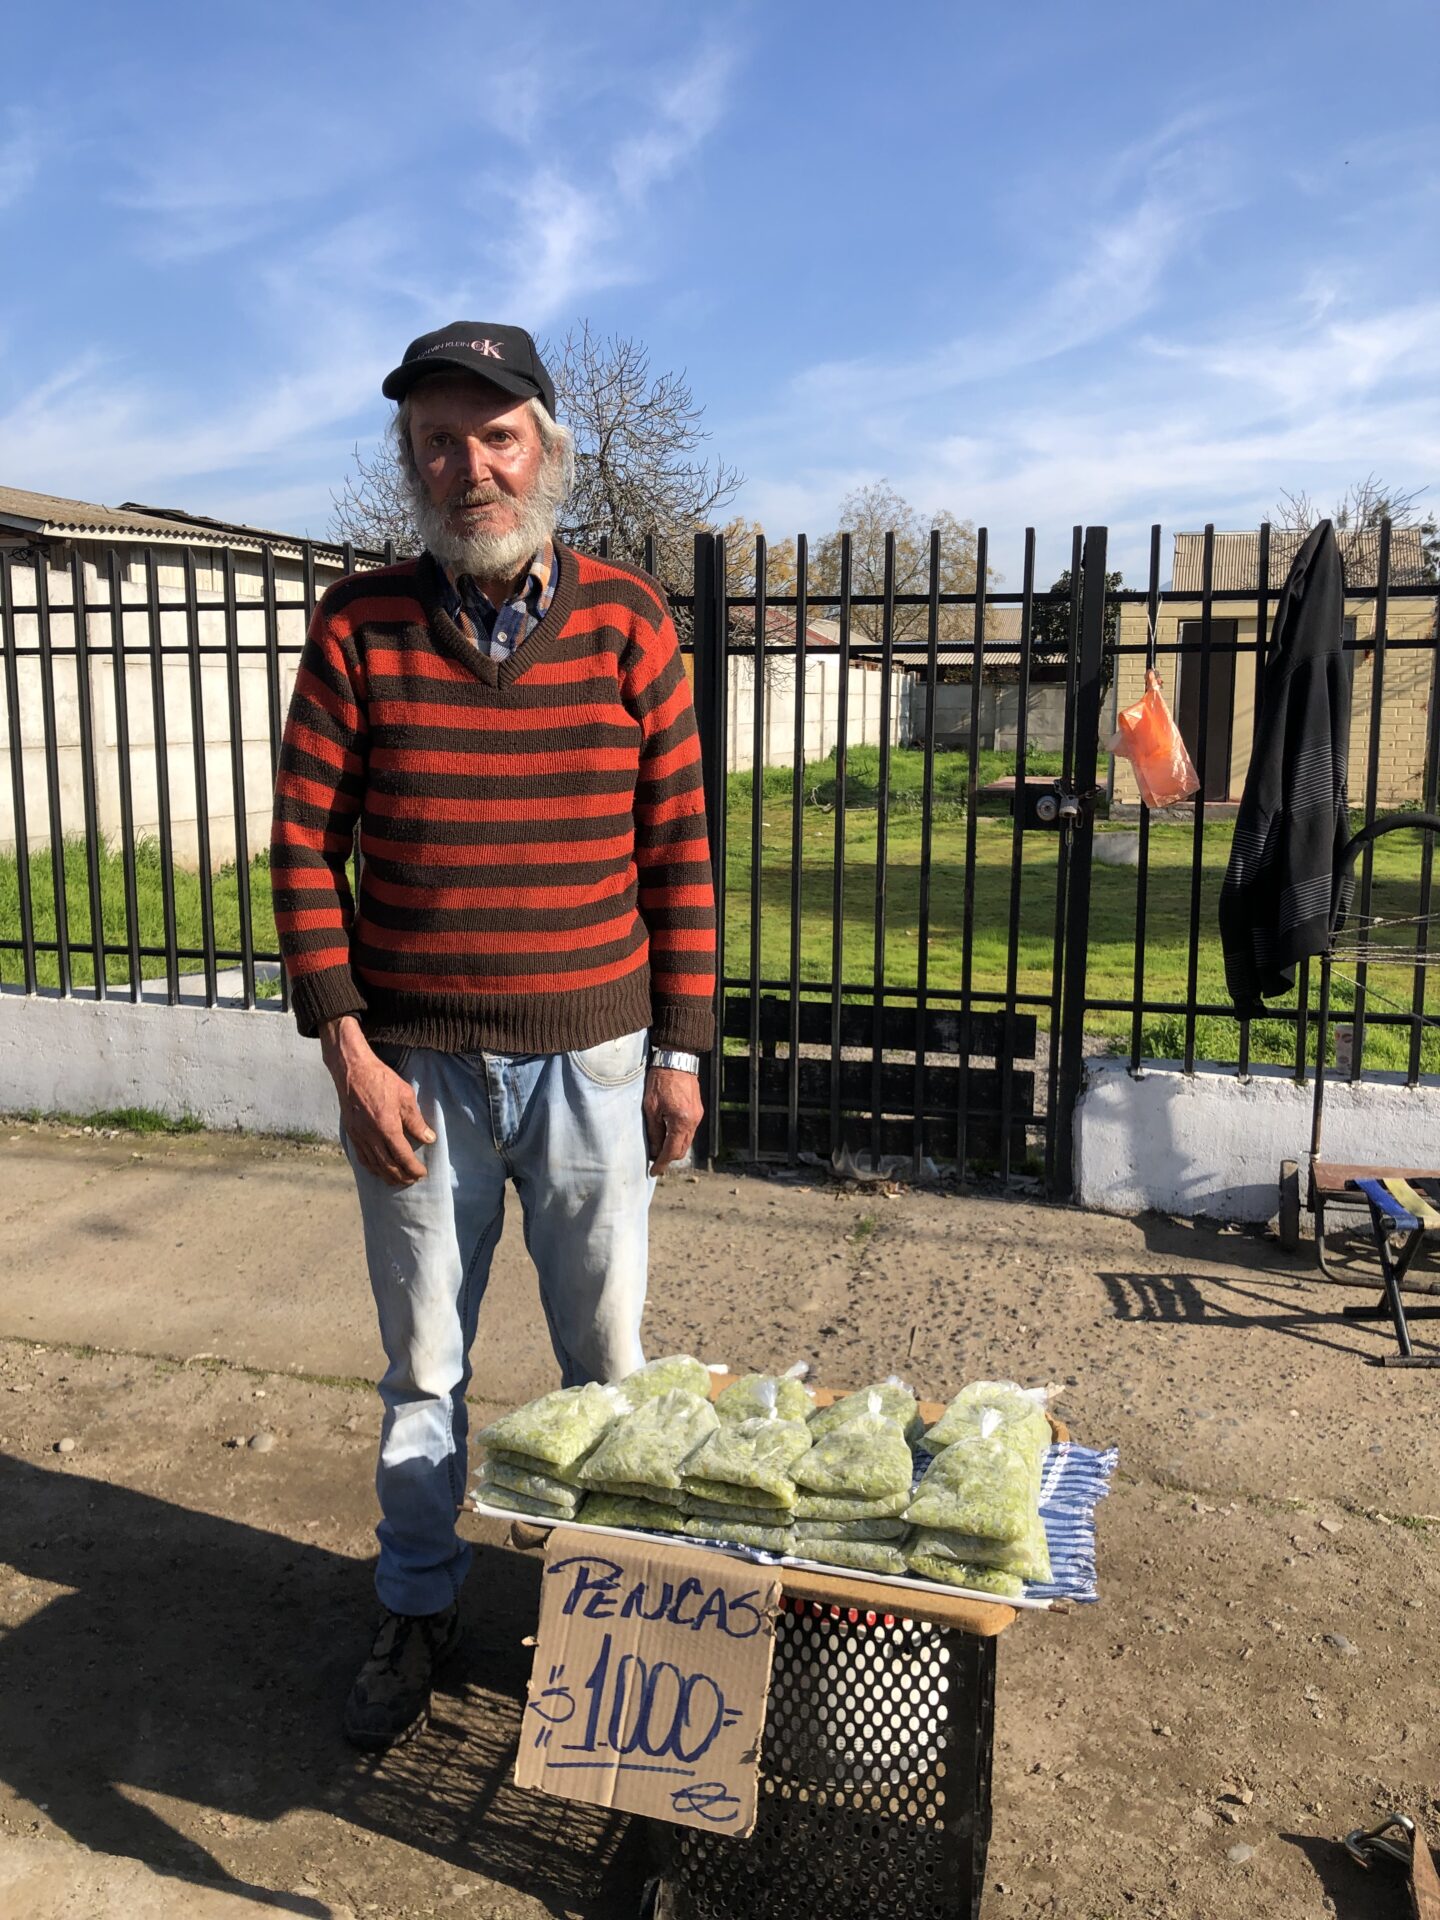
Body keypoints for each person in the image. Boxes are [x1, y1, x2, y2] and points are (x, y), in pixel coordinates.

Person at [269, 322, 715, 1749]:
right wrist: (349, 1053)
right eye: (439, 441)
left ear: (547, 448)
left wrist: (681, 1052)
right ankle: (417, 1604)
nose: (470, 465)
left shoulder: (633, 621)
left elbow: (679, 850)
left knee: (609, 1366)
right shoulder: (358, 628)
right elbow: (303, 851)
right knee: (423, 1373)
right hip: (415, 1071)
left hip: (594, 1061)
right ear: (411, 461)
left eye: (496, 435)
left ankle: (618, 1627)